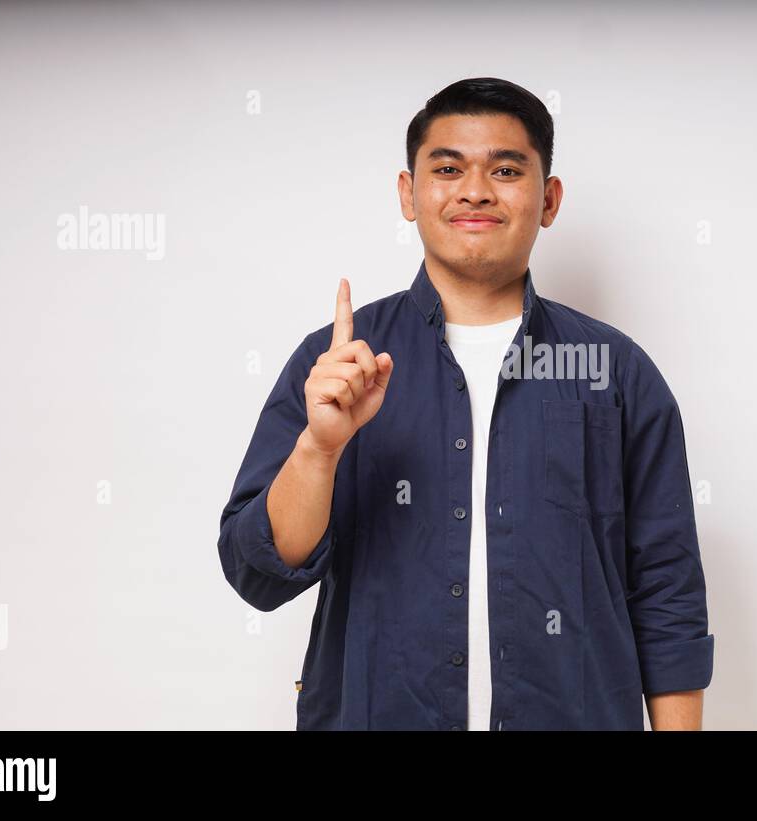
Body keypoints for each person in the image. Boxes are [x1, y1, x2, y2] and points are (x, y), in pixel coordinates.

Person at [217, 77, 714, 730]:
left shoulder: (615, 372)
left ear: (549, 198)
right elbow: (259, 572)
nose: (475, 189)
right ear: (408, 193)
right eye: (448, 167)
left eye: (506, 170)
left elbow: (667, 594)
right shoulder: (338, 365)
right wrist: (320, 447)